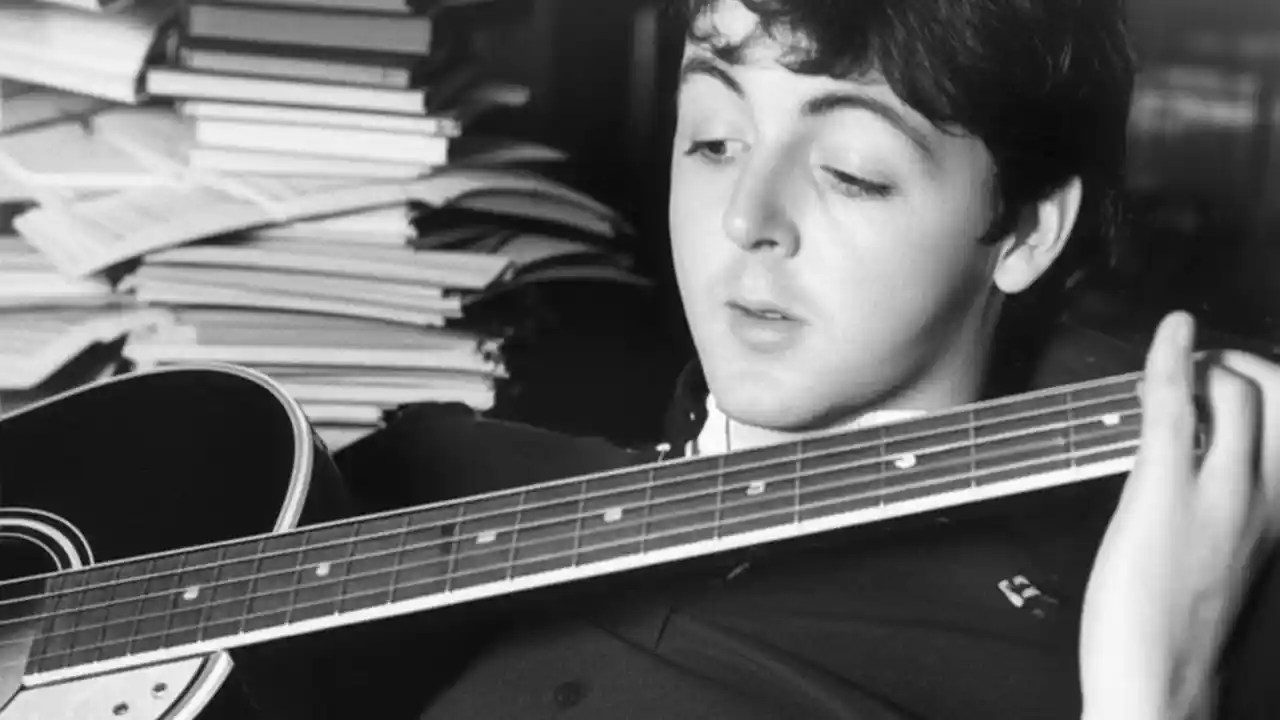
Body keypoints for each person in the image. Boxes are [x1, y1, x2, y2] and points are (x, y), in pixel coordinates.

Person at [236, 0, 1280, 718]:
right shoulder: (432, 478)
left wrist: (1152, 697)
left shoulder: (1163, 607)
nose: (744, 217)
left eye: (849, 171)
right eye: (712, 140)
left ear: (1021, 233)